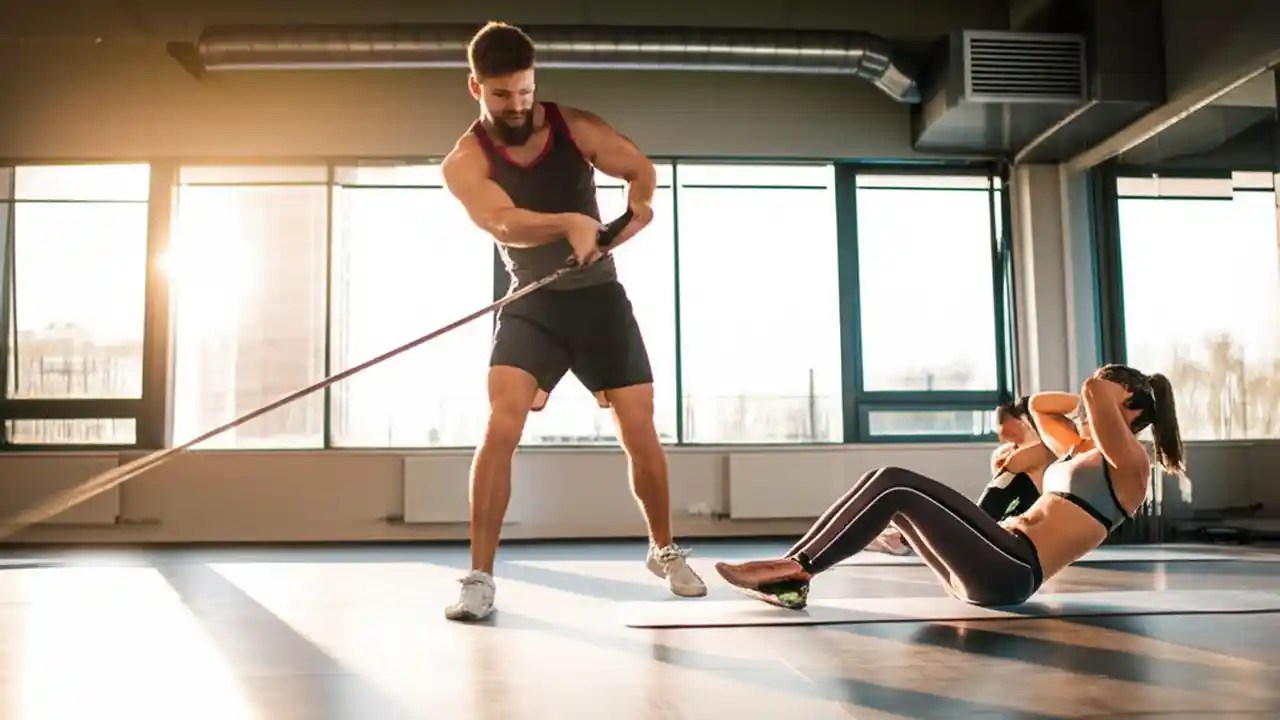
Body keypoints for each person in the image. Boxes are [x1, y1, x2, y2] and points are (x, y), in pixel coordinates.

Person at [439, 21, 706, 621]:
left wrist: (639, 205)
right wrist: (568, 223)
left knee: (640, 425)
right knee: (501, 424)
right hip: (532, 302)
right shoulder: (464, 161)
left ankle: (662, 549)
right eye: (502, 94)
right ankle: (479, 577)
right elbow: (502, 222)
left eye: (526, 91)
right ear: (475, 88)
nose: (518, 105)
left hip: (599, 301)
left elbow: (639, 168)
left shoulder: (576, 126)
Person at [714, 365, 1185, 609]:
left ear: (1133, 408)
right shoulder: (1080, 447)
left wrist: (1118, 390)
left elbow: (1090, 390)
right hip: (995, 556)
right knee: (885, 484)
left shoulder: (1129, 462)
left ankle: (796, 571)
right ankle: (793, 571)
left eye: (1110, 397)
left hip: (1014, 567)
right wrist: (1102, 399)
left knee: (897, 484)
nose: (1087, 408)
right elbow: (1040, 406)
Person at [864, 398, 1055, 556]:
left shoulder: (1039, 451)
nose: (999, 430)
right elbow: (996, 498)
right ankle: (900, 535)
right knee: (947, 513)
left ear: (1022, 421)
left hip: (1004, 528)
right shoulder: (1011, 453)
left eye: (1003, 422)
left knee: (944, 515)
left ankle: (901, 538)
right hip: (995, 522)